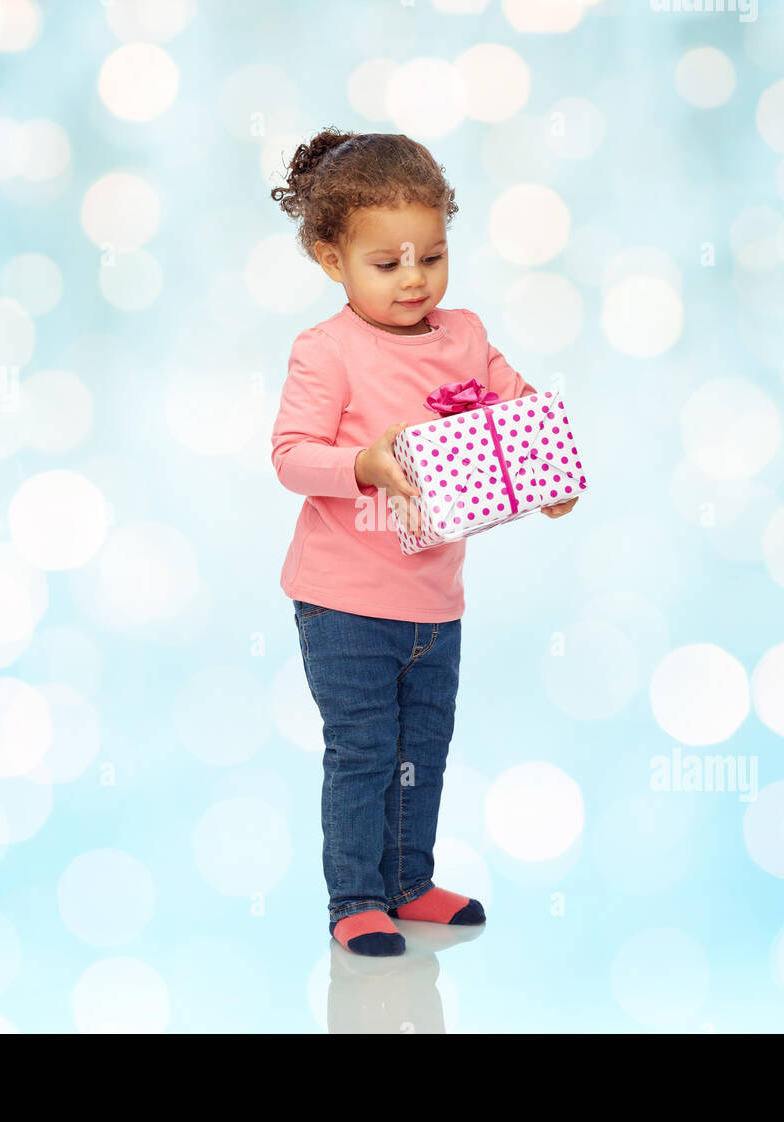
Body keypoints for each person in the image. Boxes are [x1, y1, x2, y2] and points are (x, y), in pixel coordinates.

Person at [269, 129, 579, 956]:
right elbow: (291, 457)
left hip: (435, 600)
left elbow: (519, 413)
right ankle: (356, 897)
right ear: (332, 259)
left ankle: (409, 879)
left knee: (423, 749)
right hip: (343, 602)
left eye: (431, 256)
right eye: (387, 263)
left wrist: (549, 475)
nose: (414, 279)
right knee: (365, 749)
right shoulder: (327, 349)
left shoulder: (466, 335)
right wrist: (365, 462)